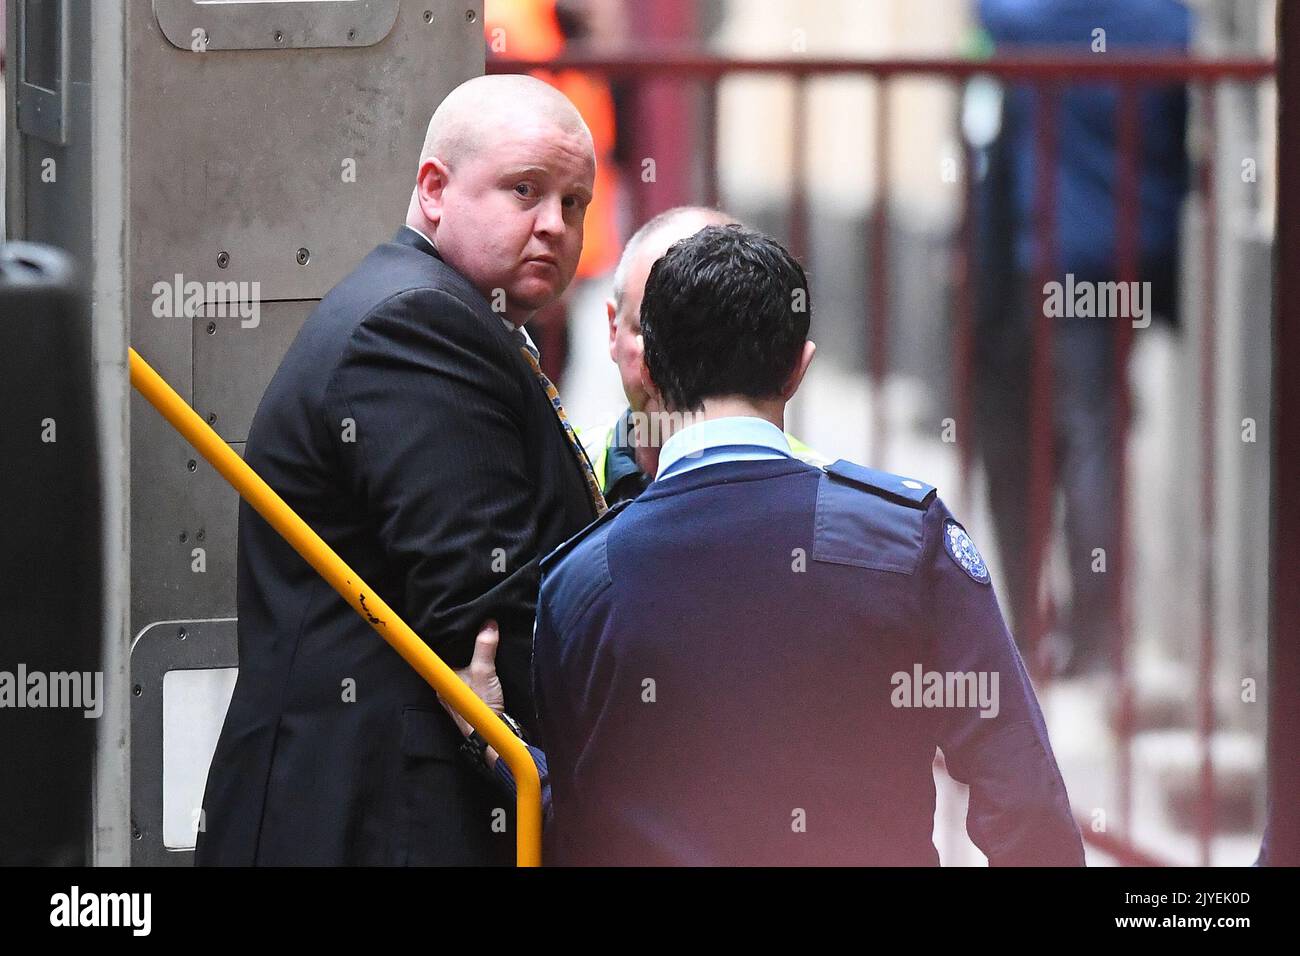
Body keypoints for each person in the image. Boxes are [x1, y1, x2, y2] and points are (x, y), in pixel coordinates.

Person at [449, 224, 1086, 866]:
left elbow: (579, 834)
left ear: (650, 370)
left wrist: (497, 745)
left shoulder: (581, 582)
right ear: (797, 368)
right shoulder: (904, 542)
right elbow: (1026, 804)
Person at [195, 74, 604, 866]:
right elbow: (487, 603)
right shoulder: (421, 323)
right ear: (434, 189)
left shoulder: (445, 312)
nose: (555, 225)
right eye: (525, 190)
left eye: (575, 203)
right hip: (373, 817)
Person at [972, 0, 1192, 675]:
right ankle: (1095, 624)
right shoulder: (1162, 22)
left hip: (1058, 252)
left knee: (1076, 427)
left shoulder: (1034, 20)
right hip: (1139, 249)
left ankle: (1088, 628)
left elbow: (992, 13)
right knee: (1098, 422)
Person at [584, 205, 826, 505]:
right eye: (649, 330)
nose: (677, 359)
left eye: (711, 334)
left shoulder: (817, 493)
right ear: (612, 328)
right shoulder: (559, 472)